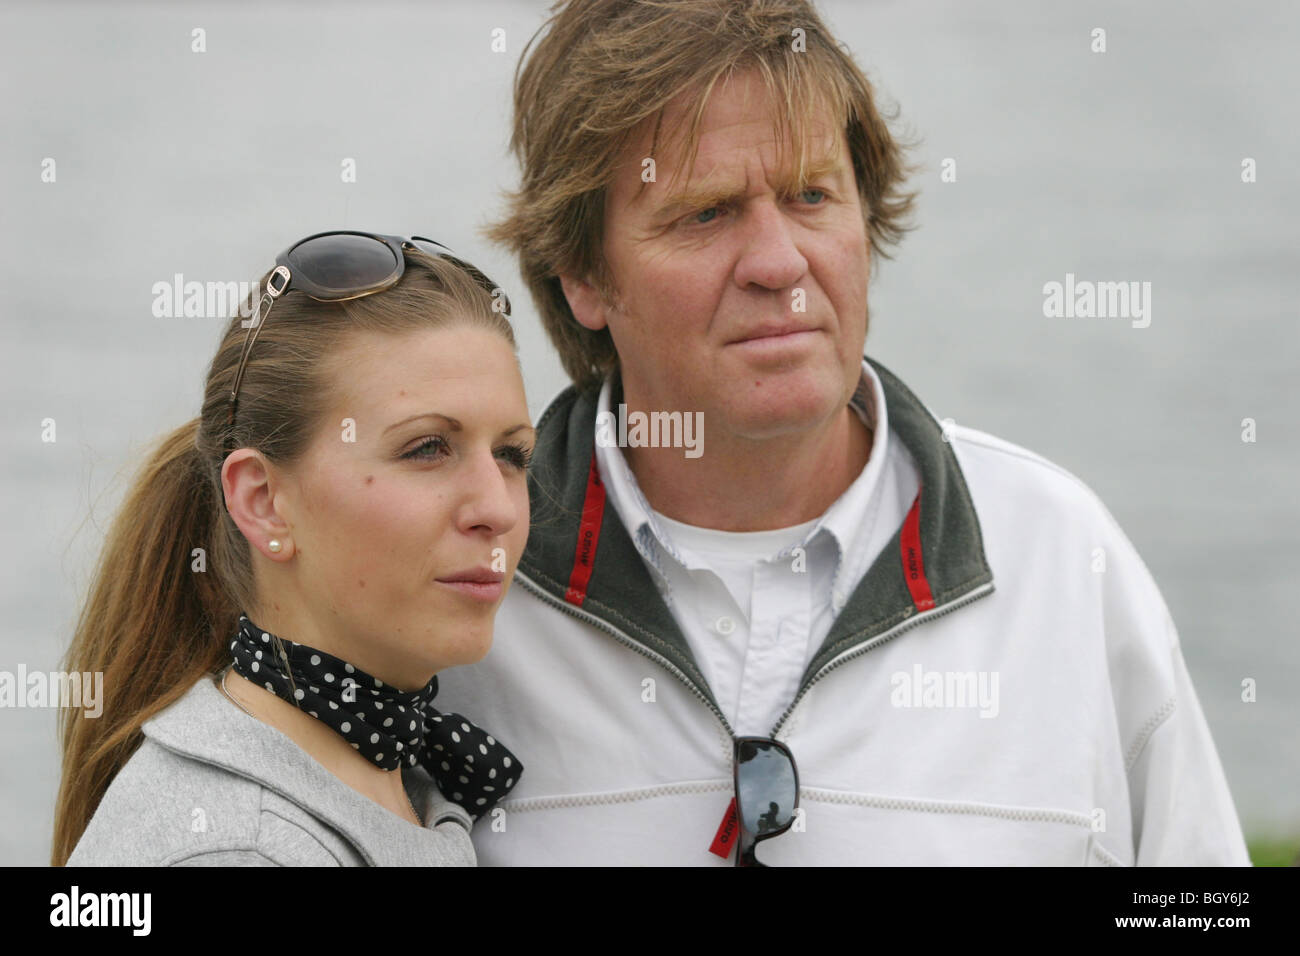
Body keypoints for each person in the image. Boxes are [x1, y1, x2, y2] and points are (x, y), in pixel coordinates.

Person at [433, 0, 1252, 865]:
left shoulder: (1060, 555)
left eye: (811, 196)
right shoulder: (462, 589)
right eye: (706, 212)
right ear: (583, 279)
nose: (779, 263)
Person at [53, 233, 533, 866]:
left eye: (511, 455)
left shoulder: (392, 780)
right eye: (426, 449)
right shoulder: (236, 850)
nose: (497, 508)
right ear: (263, 500)